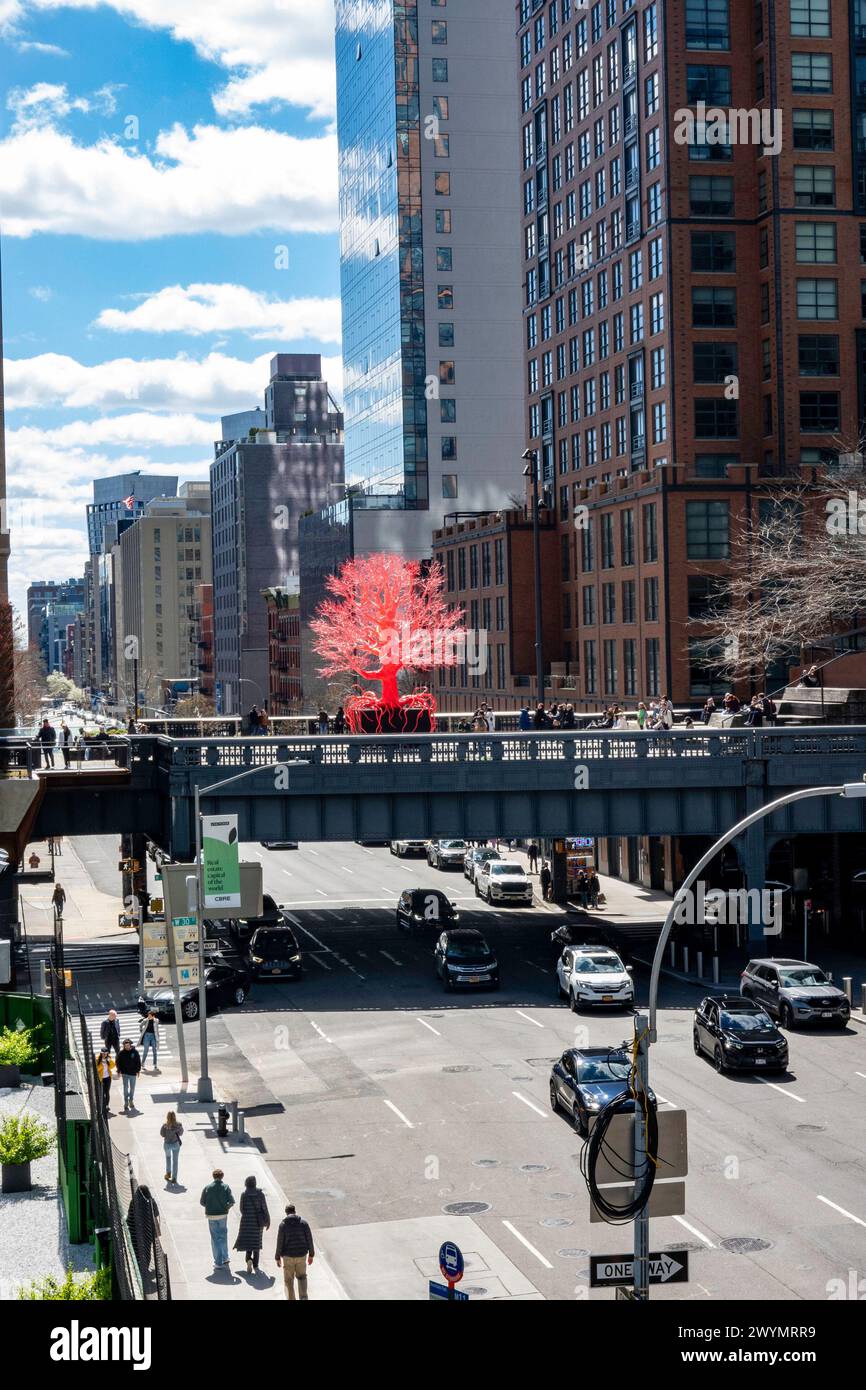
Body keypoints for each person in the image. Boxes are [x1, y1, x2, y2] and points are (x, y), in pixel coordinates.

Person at [275, 1203, 315, 1300]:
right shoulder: (304, 1223)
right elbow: (309, 1239)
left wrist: (277, 1257)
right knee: (302, 1277)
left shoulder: (283, 1225)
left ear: (286, 1213)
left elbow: (280, 1242)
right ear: (294, 1211)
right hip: (301, 1255)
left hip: (288, 1256)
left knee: (289, 1280)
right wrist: (311, 1254)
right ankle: (304, 1297)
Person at [234, 1175, 271, 1273]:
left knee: (248, 1243)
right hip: (258, 1223)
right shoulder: (260, 1195)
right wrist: (268, 1221)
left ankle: (248, 1260)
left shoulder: (244, 1194)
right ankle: (255, 1264)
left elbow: (241, 1209)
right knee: (256, 1243)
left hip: (246, 1222)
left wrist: (247, 1216)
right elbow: (264, 1208)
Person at [200, 1168, 235, 1268]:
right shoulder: (226, 1187)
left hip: (211, 1216)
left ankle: (218, 1262)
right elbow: (232, 1201)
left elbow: (202, 1202)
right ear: (222, 1176)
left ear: (213, 1176)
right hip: (223, 1215)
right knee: (223, 1236)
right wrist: (226, 1208)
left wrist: (210, 1206)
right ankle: (226, 1257)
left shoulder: (207, 1187)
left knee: (215, 1238)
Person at [116, 1038, 142, 1112]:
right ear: (124, 1046)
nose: (126, 1046)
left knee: (132, 1088)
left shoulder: (135, 1052)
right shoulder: (121, 1053)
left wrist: (138, 1070)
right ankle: (126, 1102)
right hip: (125, 1073)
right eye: (125, 1045)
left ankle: (131, 1100)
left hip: (133, 1073)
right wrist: (119, 1071)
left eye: (128, 1045)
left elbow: (138, 1062)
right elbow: (118, 1062)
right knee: (125, 1088)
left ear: (130, 1045)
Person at [160, 1111, 184, 1185]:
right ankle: (174, 1178)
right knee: (175, 1161)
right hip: (175, 1144)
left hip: (167, 1144)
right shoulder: (179, 1125)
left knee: (168, 1159)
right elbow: (181, 1133)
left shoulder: (165, 1125)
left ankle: (168, 1174)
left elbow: (162, 1134)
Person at [96, 1049, 115, 1116]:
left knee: (107, 1092)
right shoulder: (97, 1059)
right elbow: (97, 1069)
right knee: (102, 1092)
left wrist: (109, 1060)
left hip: (108, 1078)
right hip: (101, 1078)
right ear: (101, 1053)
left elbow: (113, 1066)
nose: (104, 1055)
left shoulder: (108, 1059)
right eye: (103, 1053)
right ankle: (101, 1105)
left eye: (106, 1053)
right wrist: (102, 1064)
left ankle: (106, 1105)